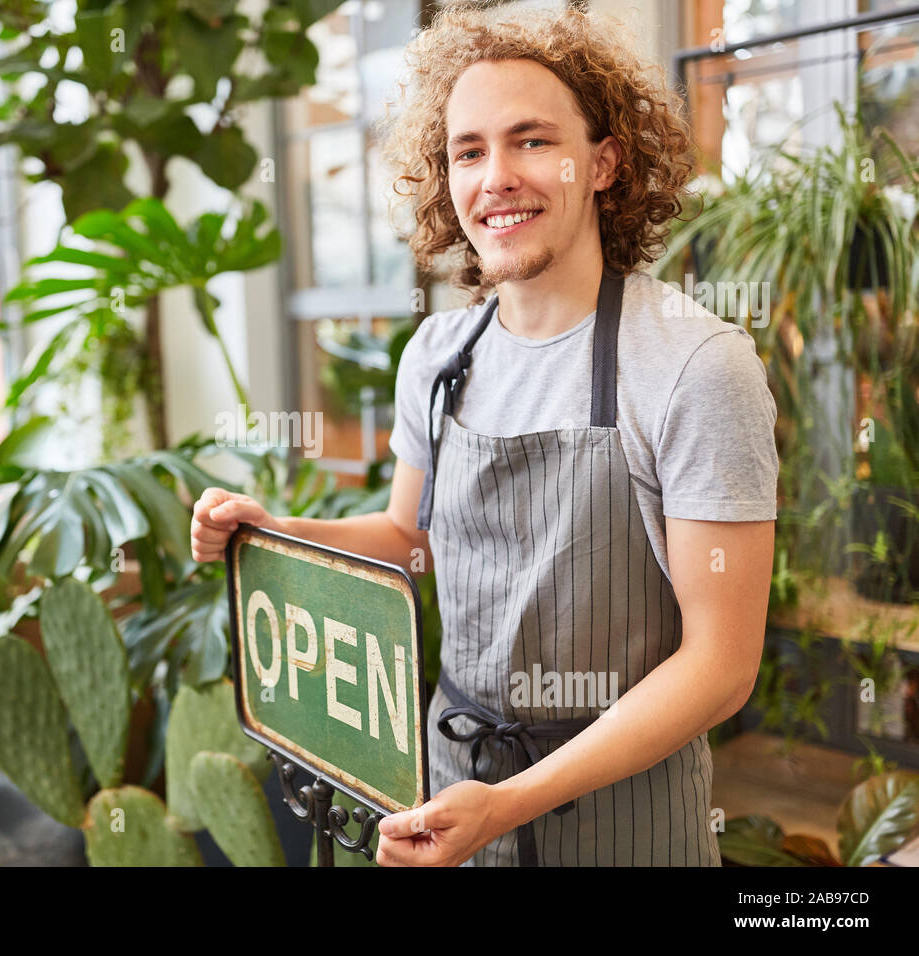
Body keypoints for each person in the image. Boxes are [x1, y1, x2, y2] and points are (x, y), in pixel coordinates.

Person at [190, 2, 777, 867]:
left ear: (603, 163)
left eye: (532, 140)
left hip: (623, 820)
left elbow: (721, 666)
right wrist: (273, 533)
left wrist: (511, 802)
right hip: (450, 799)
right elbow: (407, 541)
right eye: (468, 151)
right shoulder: (437, 355)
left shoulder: (695, 365)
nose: (496, 176)